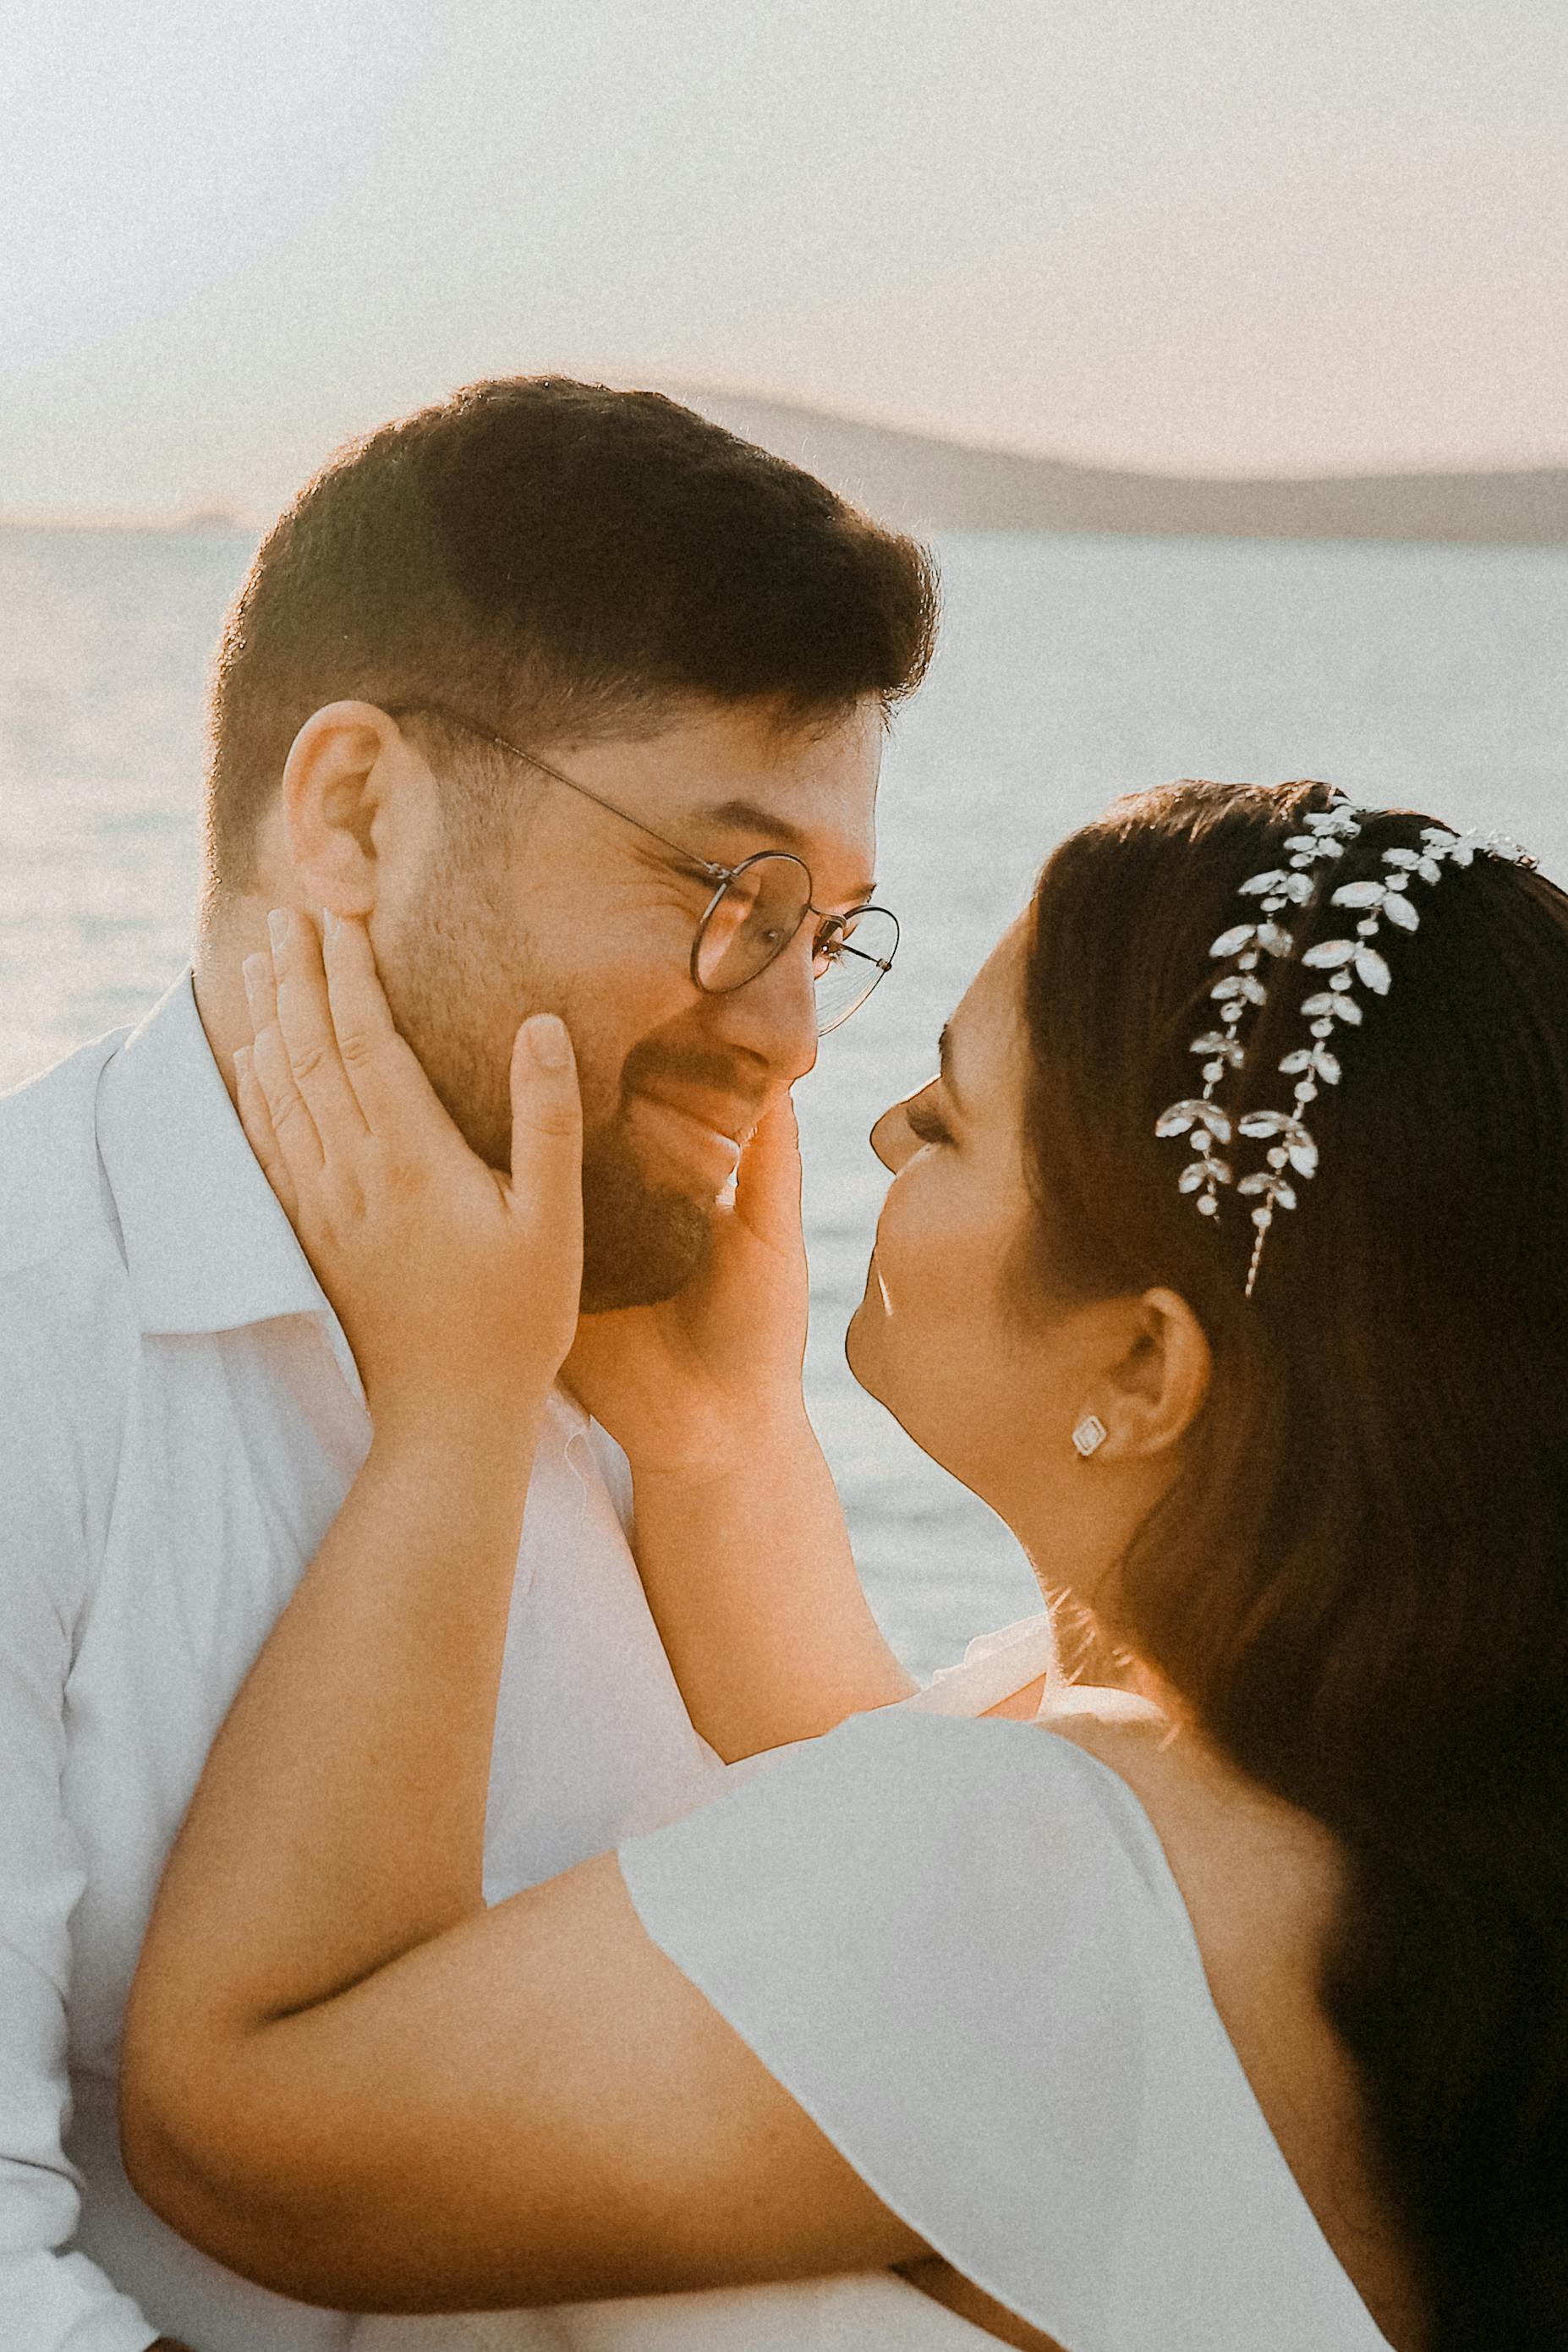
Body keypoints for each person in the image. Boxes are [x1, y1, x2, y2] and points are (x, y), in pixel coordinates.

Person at [118, 776, 1568, 2352]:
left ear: (1146, 1369)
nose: (873, 1121)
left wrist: (454, 1412)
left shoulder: (1050, 1878)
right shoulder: (1363, 1796)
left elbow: (236, 2128)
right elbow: (870, 1869)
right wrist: (714, 1438)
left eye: (945, 1121)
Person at [0, 376, 938, 2352]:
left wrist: (722, 1448)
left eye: (830, 932)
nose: (790, 1036)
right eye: (726, 891)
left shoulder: (634, 1332)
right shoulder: (33, 1347)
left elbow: (917, 2024)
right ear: (352, 812)